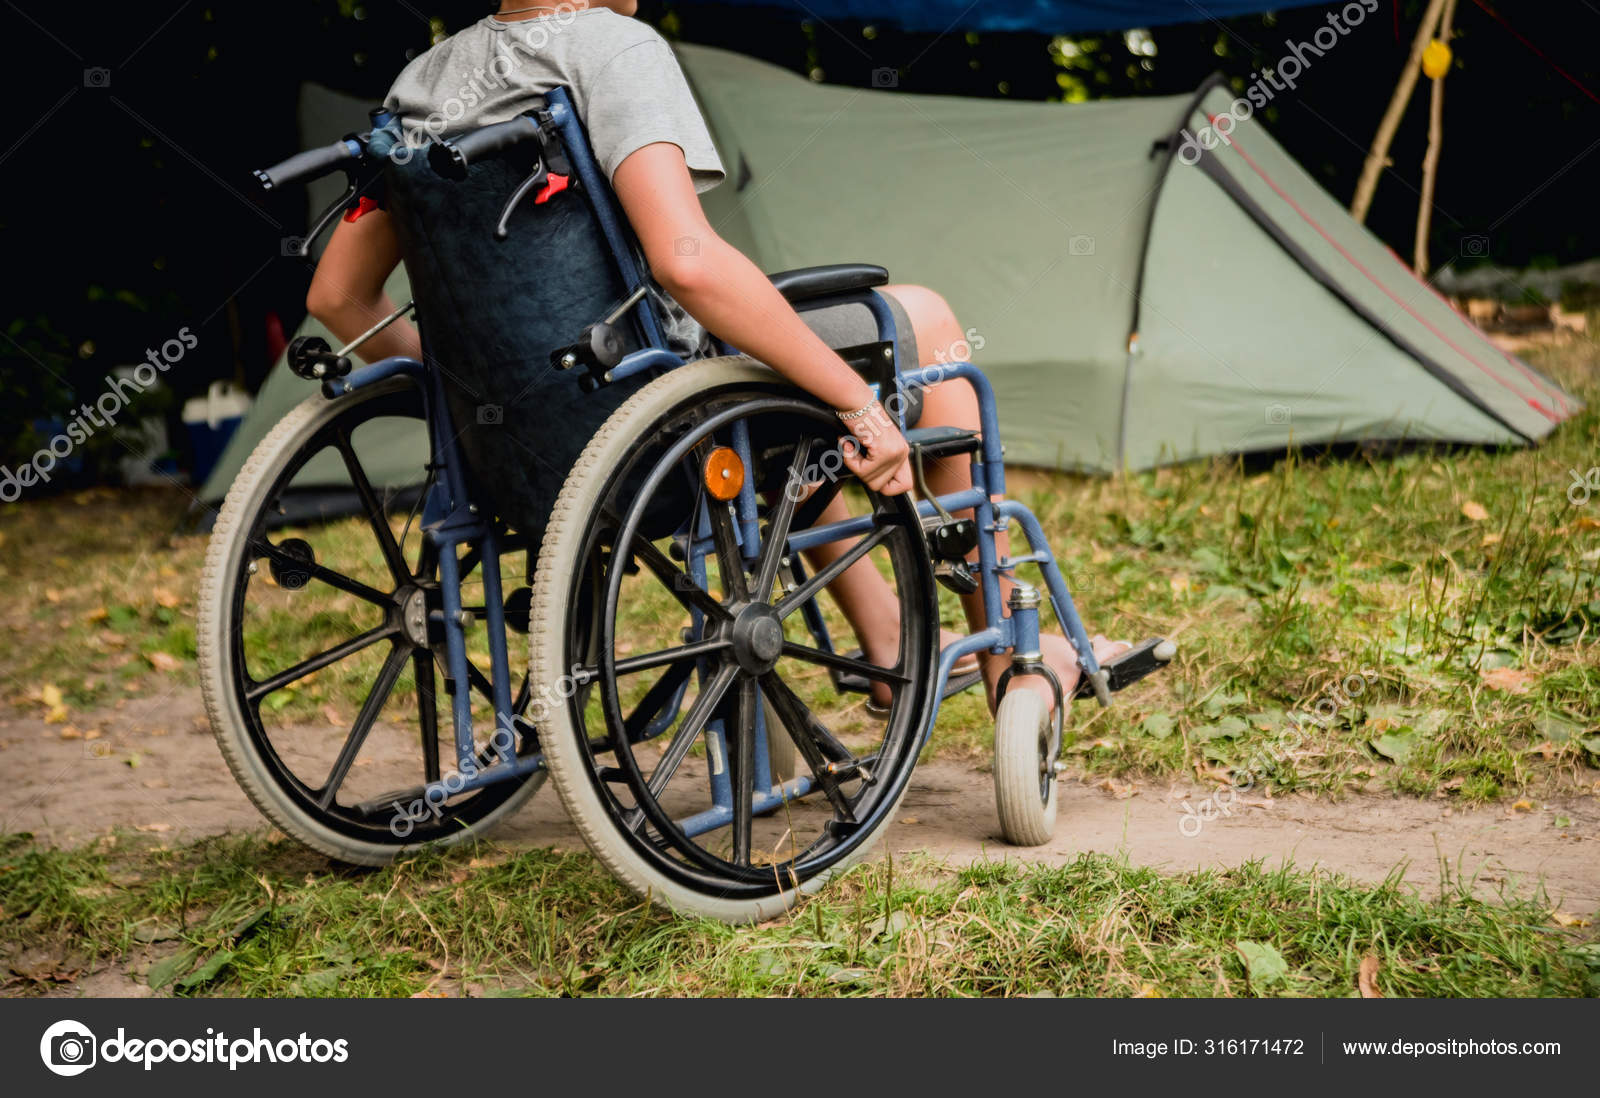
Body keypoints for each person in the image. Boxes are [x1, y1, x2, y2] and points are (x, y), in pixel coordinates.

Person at [306, 0, 1125, 717]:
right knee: (924, 327)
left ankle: (889, 644)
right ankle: (1006, 661)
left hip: (525, 456)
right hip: (660, 427)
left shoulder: (419, 86)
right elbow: (686, 260)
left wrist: (479, 402)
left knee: (775, 398)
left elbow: (338, 300)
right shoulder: (613, 49)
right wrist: (856, 402)